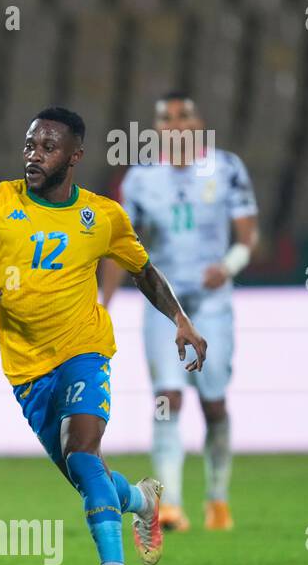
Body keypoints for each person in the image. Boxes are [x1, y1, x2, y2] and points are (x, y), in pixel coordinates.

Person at [0, 107, 207, 565]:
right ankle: (142, 500)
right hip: (27, 370)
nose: (34, 155)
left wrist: (180, 319)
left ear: (74, 156)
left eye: (48, 147)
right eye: (29, 145)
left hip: (84, 350)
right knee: (88, 477)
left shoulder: (103, 216)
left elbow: (144, 271)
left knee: (83, 453)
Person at [101, 92, 258, 531]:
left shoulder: (226, 168)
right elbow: (121, 245)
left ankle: (217, 498)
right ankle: (169, 504)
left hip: (212, 302)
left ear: (198, 123)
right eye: (166, 119)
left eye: (183, 116)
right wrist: (102, 304)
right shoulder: (141, 179)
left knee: (213, 402)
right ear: (156, 130)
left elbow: (248, 236)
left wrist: (228, 266)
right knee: (167, 397)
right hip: (164, 304)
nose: (175, 125)